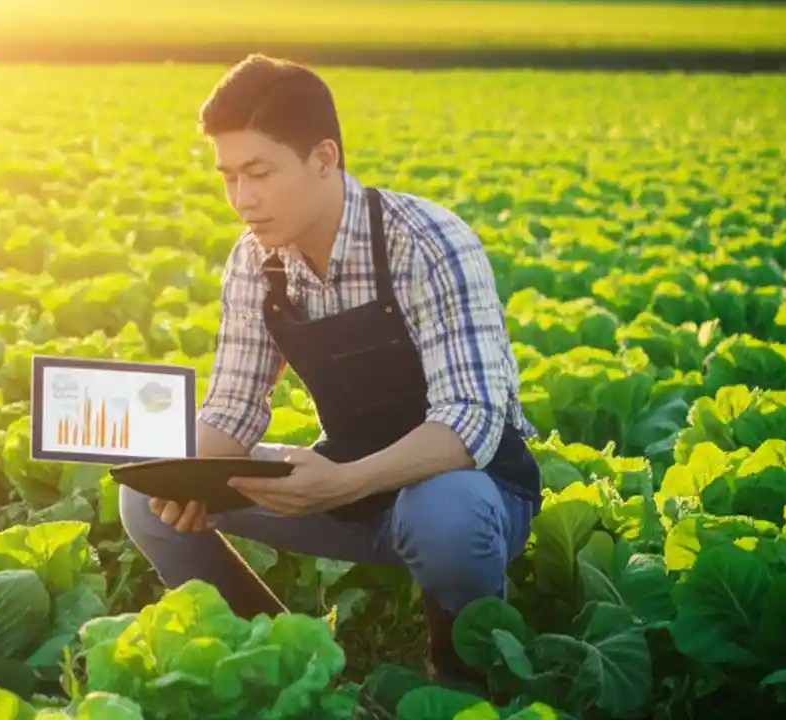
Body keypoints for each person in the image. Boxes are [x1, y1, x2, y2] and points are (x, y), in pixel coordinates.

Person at [117, 53, 543, 693]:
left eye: (259, 173)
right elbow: (234, 406)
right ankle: (281, 659)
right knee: (145, 501)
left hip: (469, 492)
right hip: (343, 484)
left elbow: (471, 422)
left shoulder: (425, 241)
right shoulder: (256, 261)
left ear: (324, 157)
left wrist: (340, 484)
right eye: (228, 176)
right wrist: (178, 476)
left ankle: (462, 677)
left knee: (445, 510)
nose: (243, 200)